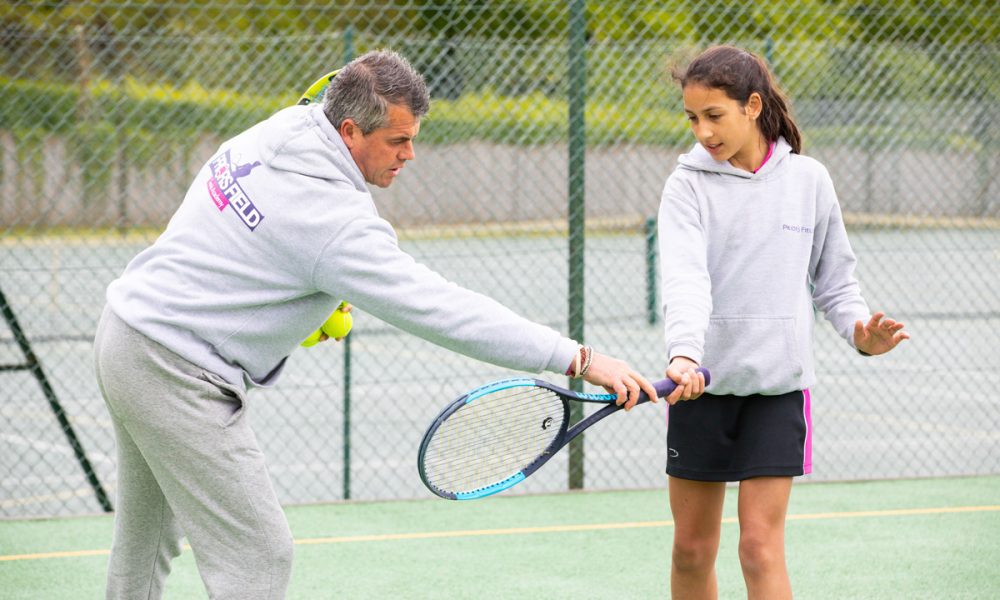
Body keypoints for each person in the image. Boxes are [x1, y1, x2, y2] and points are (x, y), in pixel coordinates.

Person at [92, 49, 658, 600]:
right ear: (348, 132)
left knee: (144, 540)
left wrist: (289, 297)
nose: (410, 154)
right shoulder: (335, 224)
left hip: (124, 334)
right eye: (398, 141)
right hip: (174, 372)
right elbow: (441, 308)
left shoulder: (280, 129)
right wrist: (581, 359)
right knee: (260, 554)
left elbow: (251, 240)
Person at [656, 45, 909, 599]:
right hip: (699, 388)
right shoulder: (686, 186)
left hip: (778, 390)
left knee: (759, 547)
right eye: (692, 118)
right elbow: (684, 279)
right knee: (691, 550)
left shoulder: (810, 181)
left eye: (714, 116)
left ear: (752, 106)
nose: (701, 132)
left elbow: (836, 283)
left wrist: (861, 333)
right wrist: (684, 354)